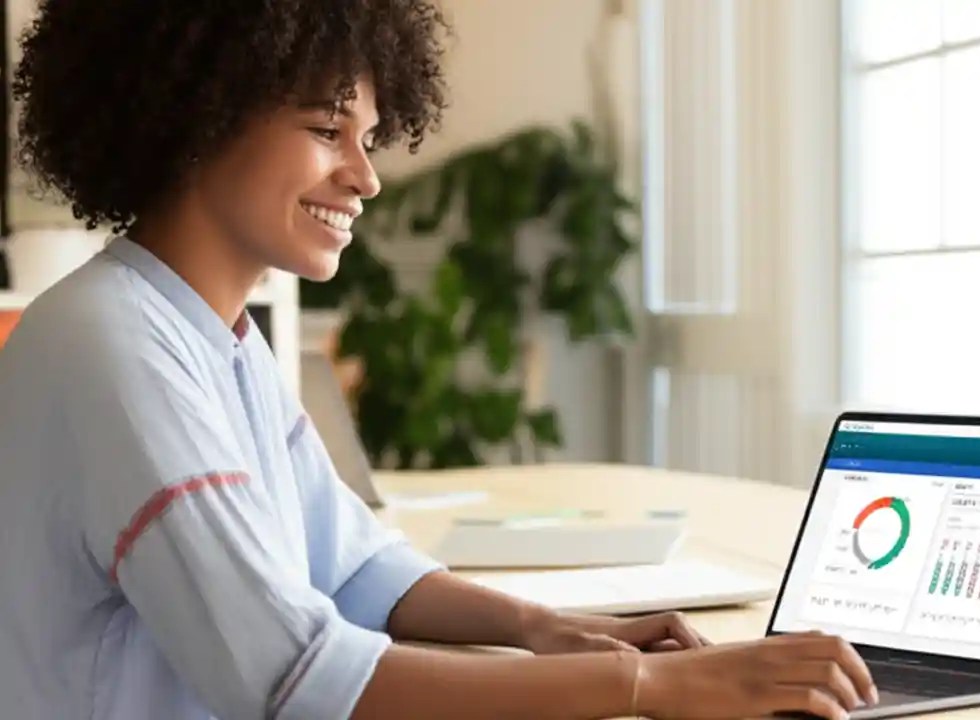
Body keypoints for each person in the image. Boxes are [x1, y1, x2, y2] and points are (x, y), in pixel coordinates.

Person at [0, 1, 878, 718]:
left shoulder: (211, 337)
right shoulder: (109, 344)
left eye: (369, 138)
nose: (365, 176)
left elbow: (352, 564)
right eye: (327, 129)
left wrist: (546, 629)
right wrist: (645, 684)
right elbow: (292, 677)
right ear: (196, 113)